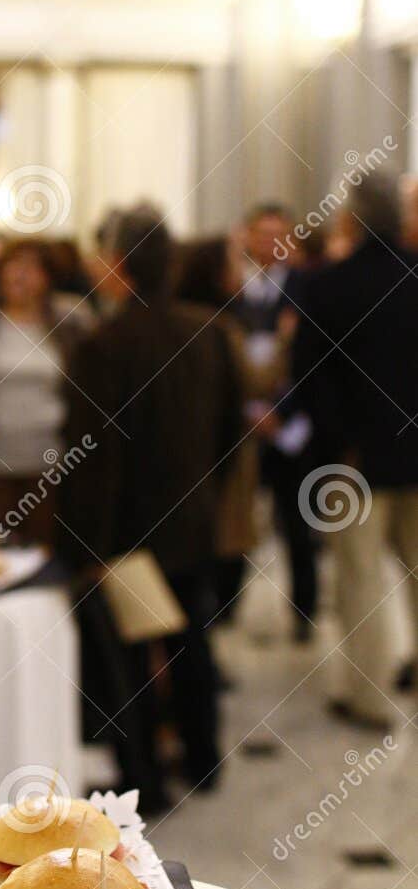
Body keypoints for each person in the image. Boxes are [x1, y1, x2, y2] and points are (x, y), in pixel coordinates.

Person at [65, 205, 242, 807]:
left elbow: (93, 456)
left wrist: (86, 543)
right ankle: (203, 756)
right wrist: (206, 492)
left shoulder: (104, 345)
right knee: (193, 640)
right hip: (192, 518)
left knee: (132, 657)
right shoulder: (209, 331)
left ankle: (145, 777)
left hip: (129, 529)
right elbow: (231, 433)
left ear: (117, 265)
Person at [291, 174, 418, 727]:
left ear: (354, 219)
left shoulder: (327, 286)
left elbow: (308, 377)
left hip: (354, 462)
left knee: (360, 581)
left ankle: (370, 698)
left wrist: (340, 441)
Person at [0, 239, 92, 544]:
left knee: (42, 551)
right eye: (14, 265)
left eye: (32, 267)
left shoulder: (69, 323)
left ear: (48, 277)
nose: (21, 275)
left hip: (47, 461)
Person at [174, 234, 283, 625]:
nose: (243, 272)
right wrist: (286, 343)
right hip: (224, 457)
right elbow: (254, 382)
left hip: (189, 461)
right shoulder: (222, 329)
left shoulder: (178, 319)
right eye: (237, 262)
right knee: (226, 547)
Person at [233, 201, 319, 638]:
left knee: (296, 521)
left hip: (290, 424)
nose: (270, 243)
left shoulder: (307, 287)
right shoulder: (233, 288)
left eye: (278, 235)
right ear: (247, 237)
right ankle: (224, 609)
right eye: (262, 234)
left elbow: (314, 360)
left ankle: (304, 611)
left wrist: (280, 413)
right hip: (242, 421)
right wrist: (249, 411)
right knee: (236, 517)